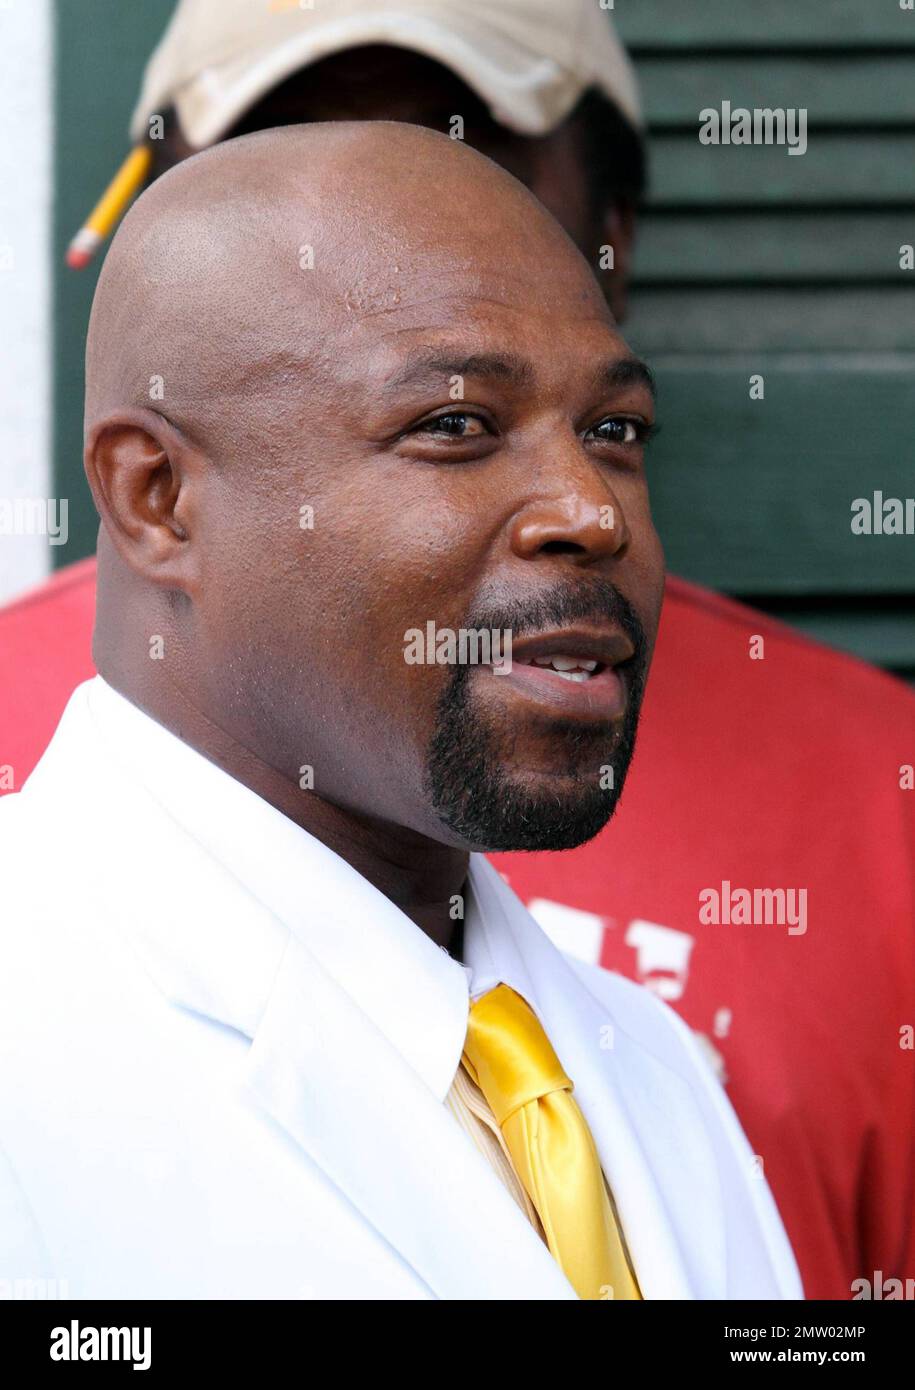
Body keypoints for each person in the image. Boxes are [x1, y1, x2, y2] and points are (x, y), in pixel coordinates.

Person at [1, 0, 912, 1298]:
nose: (592, 512)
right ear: (158, 497)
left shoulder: (643, 1077)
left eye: (617, 431)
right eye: (455, 424)